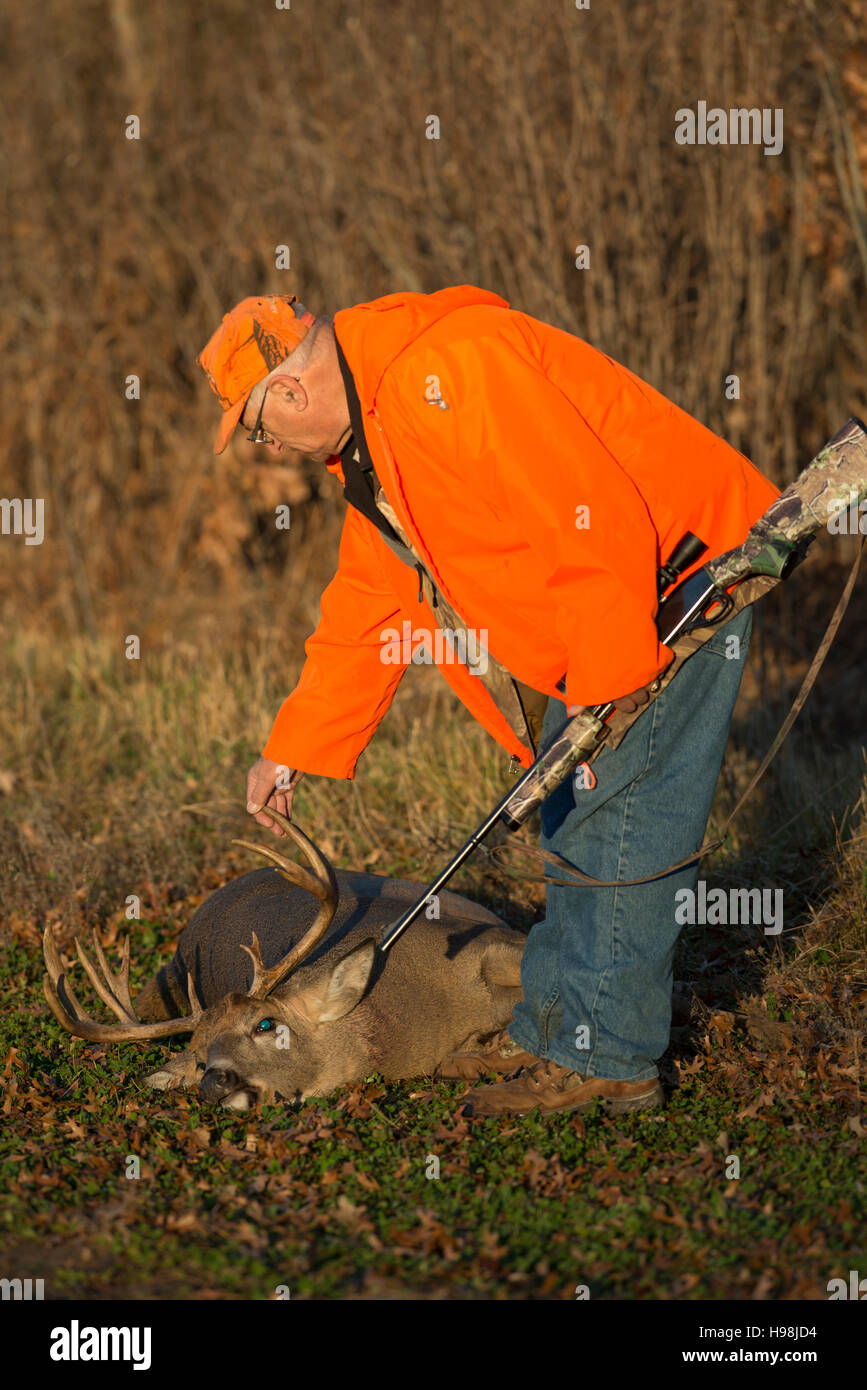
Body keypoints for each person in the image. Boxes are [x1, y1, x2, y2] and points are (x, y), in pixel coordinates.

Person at [197, 285, 777, 1117]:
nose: (269, 447)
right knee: (575, 817)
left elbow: (587, 511)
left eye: (258, 428)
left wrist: (613, 680)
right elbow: (372, 600)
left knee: (620, 817)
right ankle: (557, 1029)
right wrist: (295, 744)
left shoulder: (449, 369)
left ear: (288, 391)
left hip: (671, 594)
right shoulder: (377, 441)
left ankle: (605, 1060)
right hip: (606, 623)